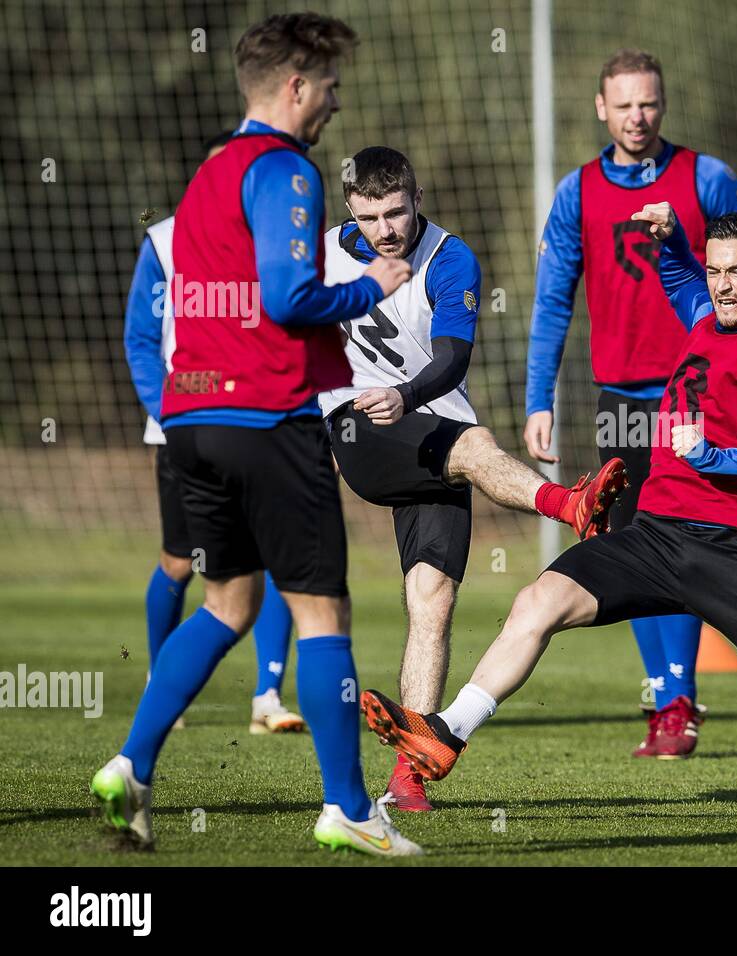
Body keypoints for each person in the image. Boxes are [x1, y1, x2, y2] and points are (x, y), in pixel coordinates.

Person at [359, 206, 737, 824]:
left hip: (736, 553)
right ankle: (447, 735)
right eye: (715, 270)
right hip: (657, 536)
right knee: (538, 600)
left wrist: (717, 455)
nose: (722, 284)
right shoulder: (707, 314)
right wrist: (672, 242)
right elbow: (683, 281)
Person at [92, 12, 423, 856]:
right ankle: (349, 808)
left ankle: (130, 765)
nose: (337, 103)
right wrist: (372, 287)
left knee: (228, 603)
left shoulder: (207, 174)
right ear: (295, 86)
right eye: (331, 86)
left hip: (192, 421)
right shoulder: (287, 169)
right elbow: (284, 298)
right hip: (266, 418)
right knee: (324, 615)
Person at [319, 146, 627, 811]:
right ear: (350, 209)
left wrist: (408, 394)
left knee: (431, 604)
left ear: (418, 197)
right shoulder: (319, 255)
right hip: (359, 429)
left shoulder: (449, 259)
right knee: (475, 444)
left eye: (396, 212)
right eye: (370, 216)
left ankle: (407, 777)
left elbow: (454, 360)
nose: (386, 230)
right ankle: (566, 502)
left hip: (432, 431)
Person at [523, 48, 737, 758]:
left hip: (694, 393)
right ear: (600, 108)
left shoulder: (706, 178)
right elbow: (553, 301)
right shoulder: (577, 192)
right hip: (618, 398)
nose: (637, 116)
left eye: (648, 103)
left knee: (683, 543)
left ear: (664, 104)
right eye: (623, 105)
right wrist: (538, 399)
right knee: (627, 546)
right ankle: (665, 698)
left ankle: (680, 699)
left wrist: (680, 245)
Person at [123, 131, 303, 736]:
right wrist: (167, 409)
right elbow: (142, 342)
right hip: (185, 429)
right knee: (181, 561)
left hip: (264, 421)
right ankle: (160, 683)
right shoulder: (165, 241)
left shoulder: (275, 236)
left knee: (280, 560)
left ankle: (268, 695)